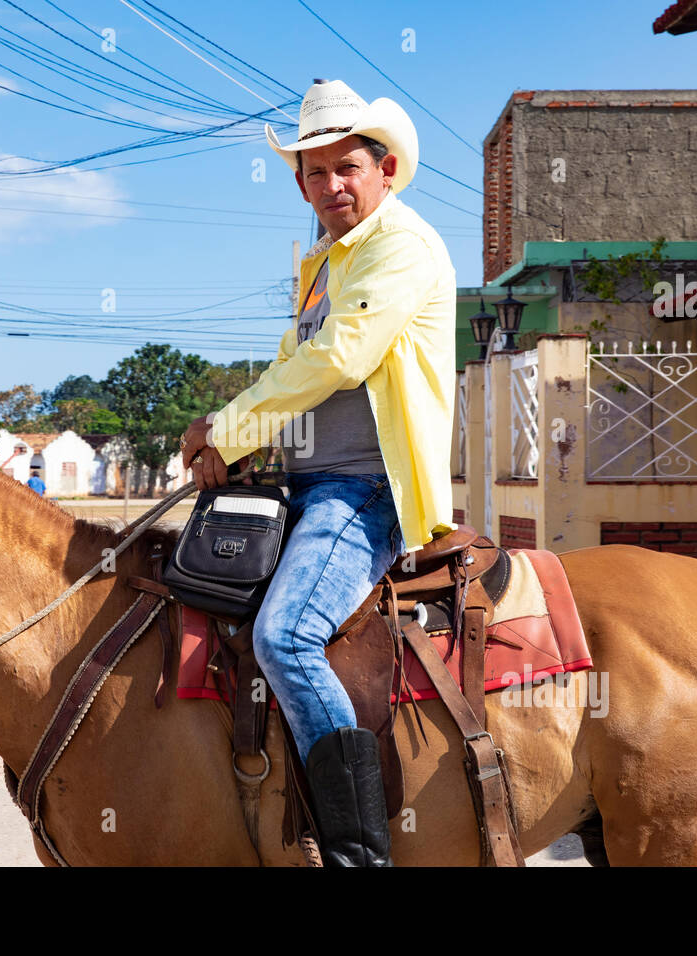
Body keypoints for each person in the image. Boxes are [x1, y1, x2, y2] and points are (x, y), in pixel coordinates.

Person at [178, 80, 457, 866]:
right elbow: (292, 367)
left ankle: (359, 850)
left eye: (347, 168)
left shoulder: (401, 247)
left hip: (366, 490)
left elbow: (342, 357)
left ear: (386, 169)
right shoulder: (322, 267)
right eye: (314, 173)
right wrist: (228, 439)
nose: (330, 186)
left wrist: (229, 432)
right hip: (305, 487)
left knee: (287, 636)